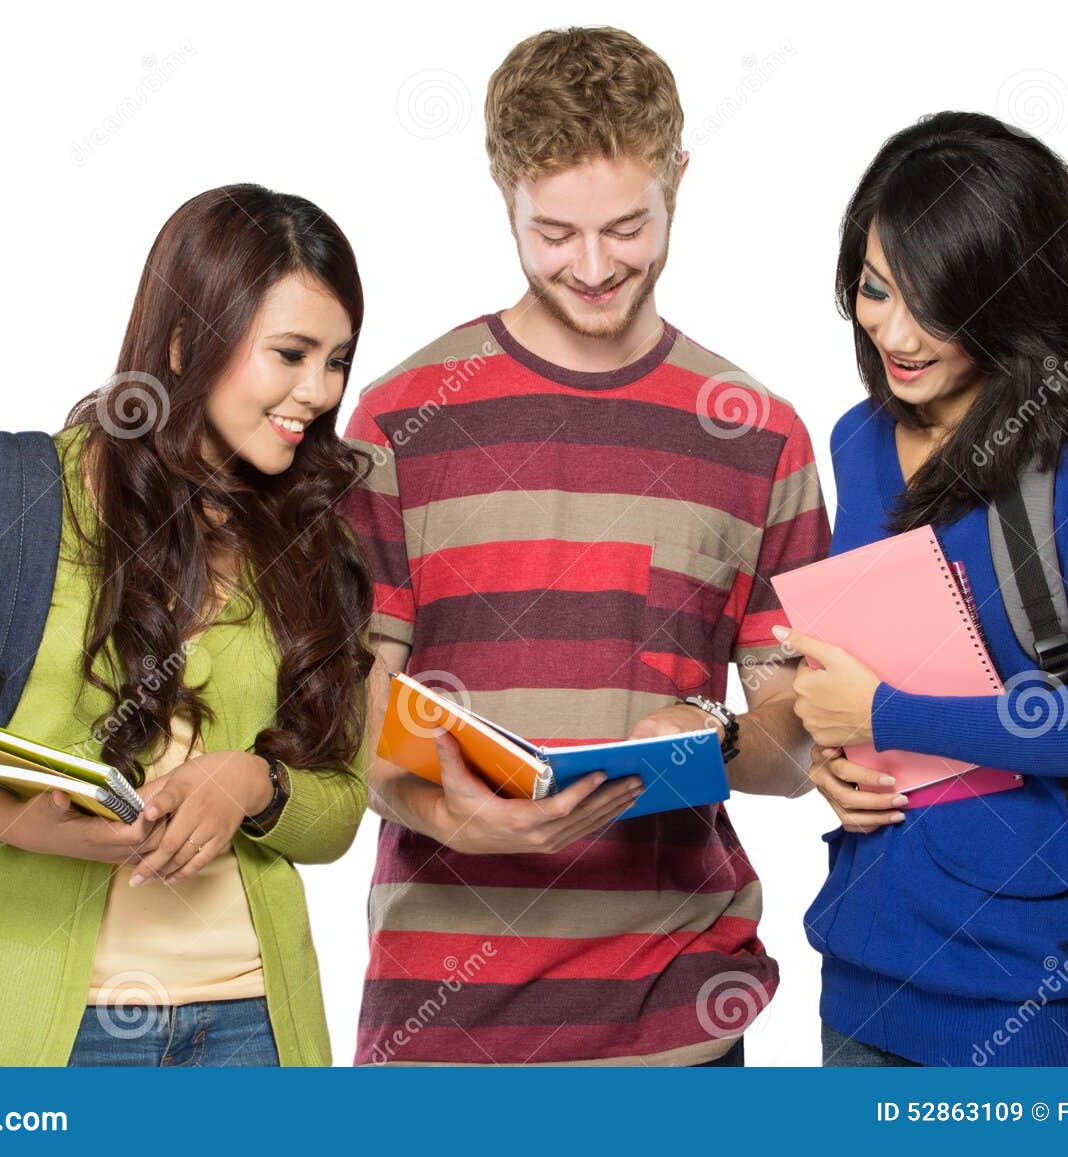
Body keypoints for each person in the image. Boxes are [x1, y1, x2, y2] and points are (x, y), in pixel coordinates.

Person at [341, 26, 831, 1066]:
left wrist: (710, 740)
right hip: (441, 1033)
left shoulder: (758, 431)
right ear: (502, 191)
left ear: (678, 183)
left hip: (677, 1032)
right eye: (555, 233)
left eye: (627, 226)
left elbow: (799, 745)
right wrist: (449, 814)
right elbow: (351, 718)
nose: (597, 267)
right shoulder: (397, 422)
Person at [0, 184, 374, 1066]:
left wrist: (254, 783)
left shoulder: (314, 533)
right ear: (184, 341)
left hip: (256, 1030)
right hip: (46, 1033)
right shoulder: (11, 499)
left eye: (336, 360)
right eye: (290, 354)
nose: (318, 393)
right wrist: (16, 821)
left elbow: (340, 810)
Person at [782, 112, 1068, 1067]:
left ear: (1011, 300)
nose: (891, 329)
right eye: (874, 291)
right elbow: (872, 664)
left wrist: (890, 711)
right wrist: (834, 757)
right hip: (863, 965)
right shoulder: (858, 437)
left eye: (933, 304)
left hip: (1022, 986)